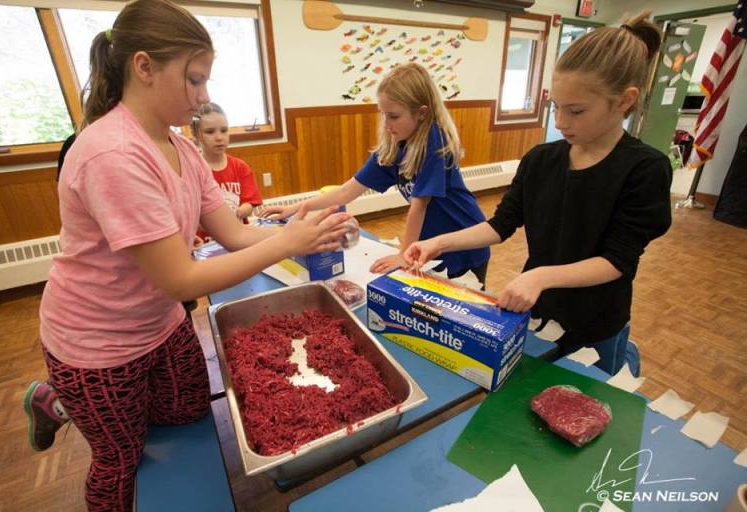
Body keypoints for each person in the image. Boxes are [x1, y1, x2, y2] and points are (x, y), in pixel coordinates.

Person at [21, 1, 348, 510]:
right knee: (119, 458)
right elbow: (179, 280)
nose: (204, 96)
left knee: (189, 411)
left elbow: (235, 236)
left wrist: (302, 229)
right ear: (144, 67)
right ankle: (58, 402)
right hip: (97, 345)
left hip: (158, 325)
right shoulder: (112, 154)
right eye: (194, 80)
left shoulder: (183, 150)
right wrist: (286, 245)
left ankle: (77, 406)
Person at [404, 13, 672, 376]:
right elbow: (501, 225)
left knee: (594, 389)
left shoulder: (645, 169)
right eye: (555, 108)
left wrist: (540, 275)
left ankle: (625, 354)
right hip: (538, 311)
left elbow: (617, 260)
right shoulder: (541, 159)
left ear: (624, 101)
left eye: (576, 111)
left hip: (596, 320)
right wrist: (438, 243)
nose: (560, 122)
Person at [260, 63, 490, 282]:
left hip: (464, 244)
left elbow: (418, 206)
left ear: (421, 113)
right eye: (383, 114)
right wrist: (297, 208)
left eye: (394, 116)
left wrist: (403, 255)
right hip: (429, 245)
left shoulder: (434, 138)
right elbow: (346, 192)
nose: (386, 123)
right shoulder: (394, 147)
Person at [191, 102, 262, 241]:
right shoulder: (192, 169)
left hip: (239, 238)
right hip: (206, 244)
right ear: (197, 135)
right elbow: (190, 214)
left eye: (224, 130)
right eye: (210, 132)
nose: (219, 137)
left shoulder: (240, 167)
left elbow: (250, 204)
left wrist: (239, 212)